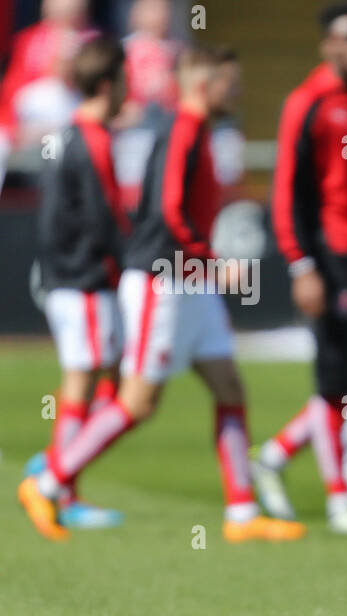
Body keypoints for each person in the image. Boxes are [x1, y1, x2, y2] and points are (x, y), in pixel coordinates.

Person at [18, 47, 306, 545]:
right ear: (205, 84)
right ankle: (47, 482)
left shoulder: (194, 130)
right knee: (137, 403)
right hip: (164, 280)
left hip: (188, 281)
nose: (237, 92)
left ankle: (240, 512)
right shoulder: (183, 130)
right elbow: (171, 210)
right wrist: (213, 263)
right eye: (230, 83)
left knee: (230, 389)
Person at [251, 3, 347, 536]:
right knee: (337, 379)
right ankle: (338, 501)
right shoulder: (308, 103)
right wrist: (301, 264)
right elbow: (287, 188)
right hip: (330, 257)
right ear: (328, 46)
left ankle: (277, 453)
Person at [24, 36, 130, 530]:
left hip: (66, 277)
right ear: (109, 83)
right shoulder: (93, 138)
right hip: (84, 280)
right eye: (125, 79)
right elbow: (105, 219)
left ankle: (56, 476)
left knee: (97, 381)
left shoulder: (70, 133)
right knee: (85, 384)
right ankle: (56, 488)